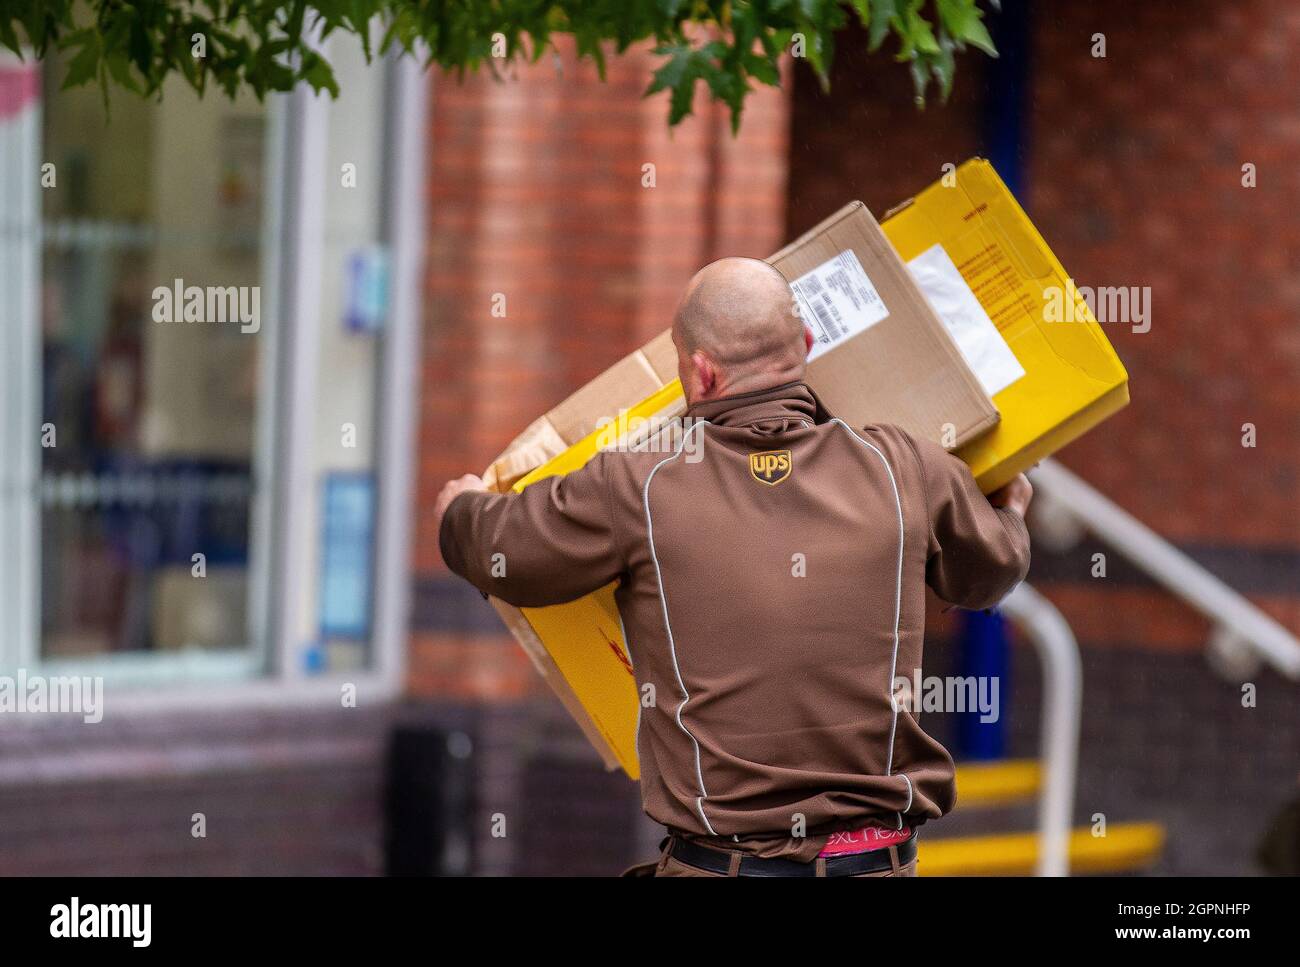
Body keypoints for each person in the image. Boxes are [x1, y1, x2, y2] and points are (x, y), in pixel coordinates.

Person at [436, 257, 1033, 877]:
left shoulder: (639, 489)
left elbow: (504, 552)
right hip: (879, 865)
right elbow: (993, 572)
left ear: (699, 372)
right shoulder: (906, 469)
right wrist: (1013, 507)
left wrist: (460, 509)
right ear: (805, 345)